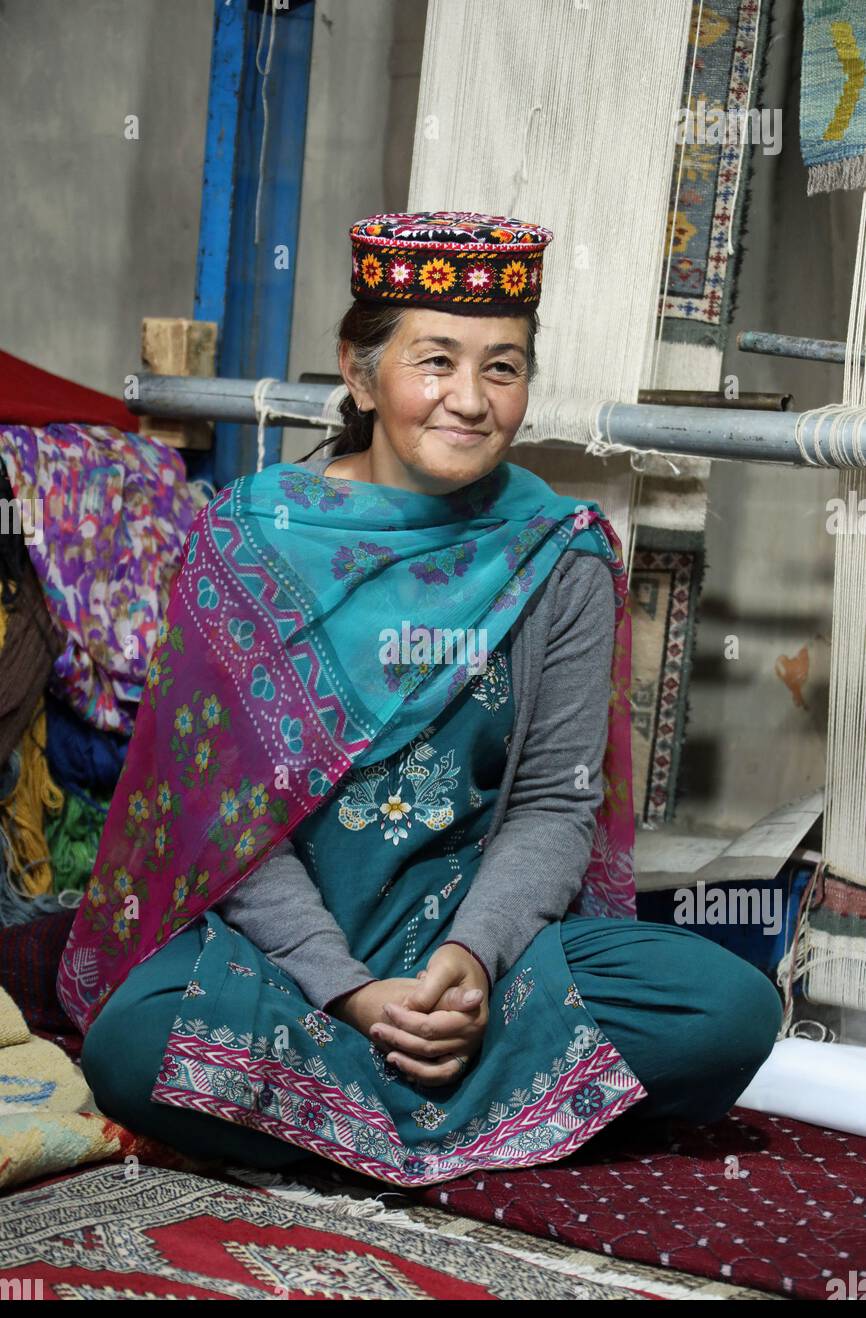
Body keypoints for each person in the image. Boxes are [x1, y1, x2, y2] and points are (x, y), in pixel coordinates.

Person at [69, 211, 782, 1187]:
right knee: (131, 1044)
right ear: (359, 375)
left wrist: (472, 961)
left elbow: (550, 804)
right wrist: (351, 990)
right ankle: (487, 1114)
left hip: (475, 959)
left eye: (502, 367)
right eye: (434, 360)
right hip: (282, 962)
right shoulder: (251, 540)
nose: (469, 399)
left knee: (727, 1010)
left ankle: (336, 1115)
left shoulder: (556, 553)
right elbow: (229, 822)